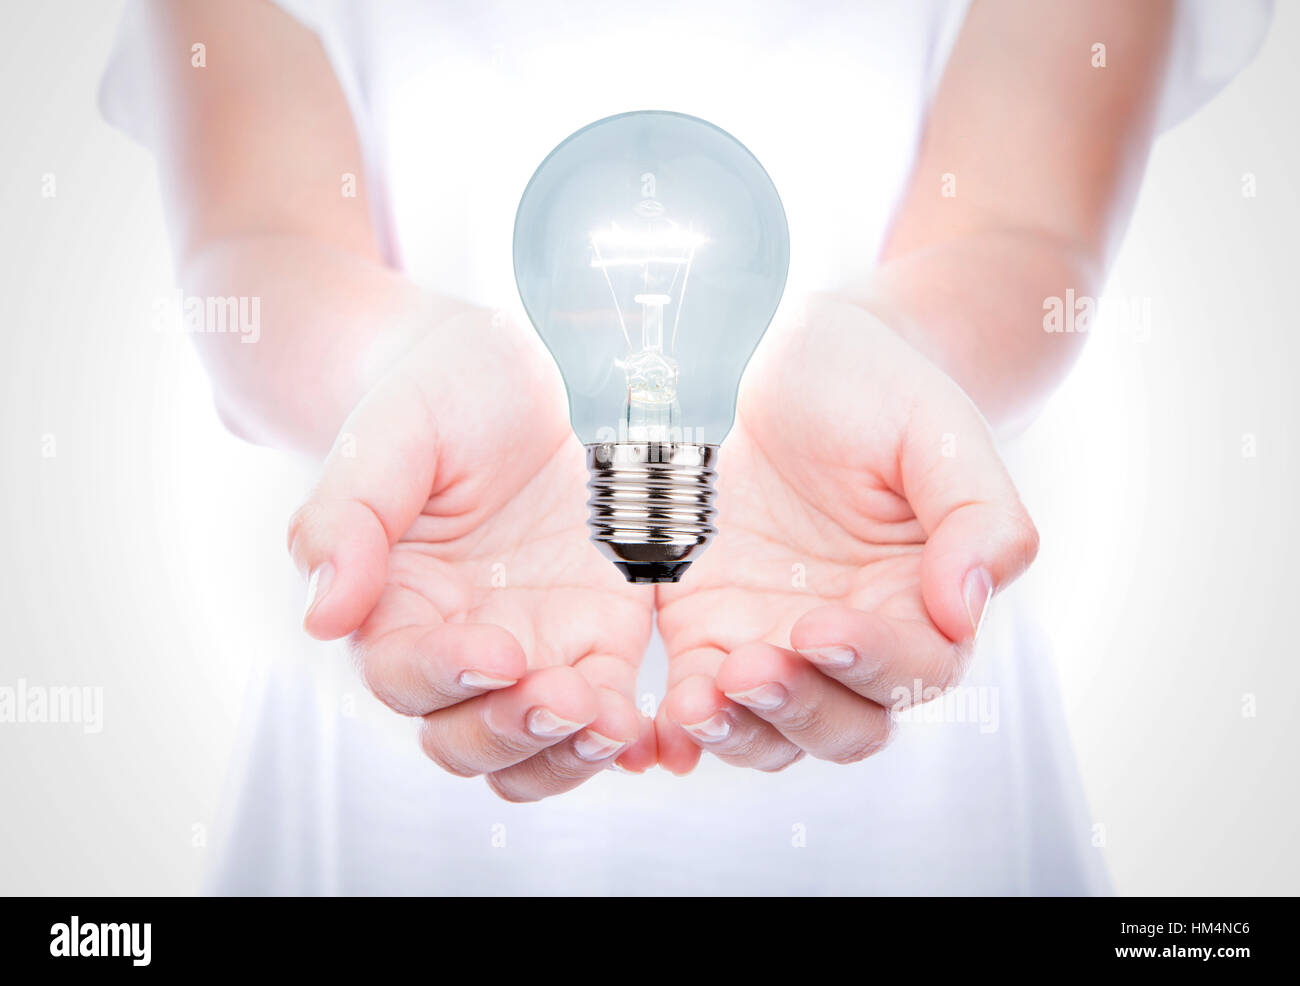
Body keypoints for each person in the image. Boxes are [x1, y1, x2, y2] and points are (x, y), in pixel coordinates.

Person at [100, 0, 1271, 893]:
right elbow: (251, 246)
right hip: (399, 746)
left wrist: (887, 347)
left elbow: (1025, 229)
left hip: (913, 792)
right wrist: (395, 378)